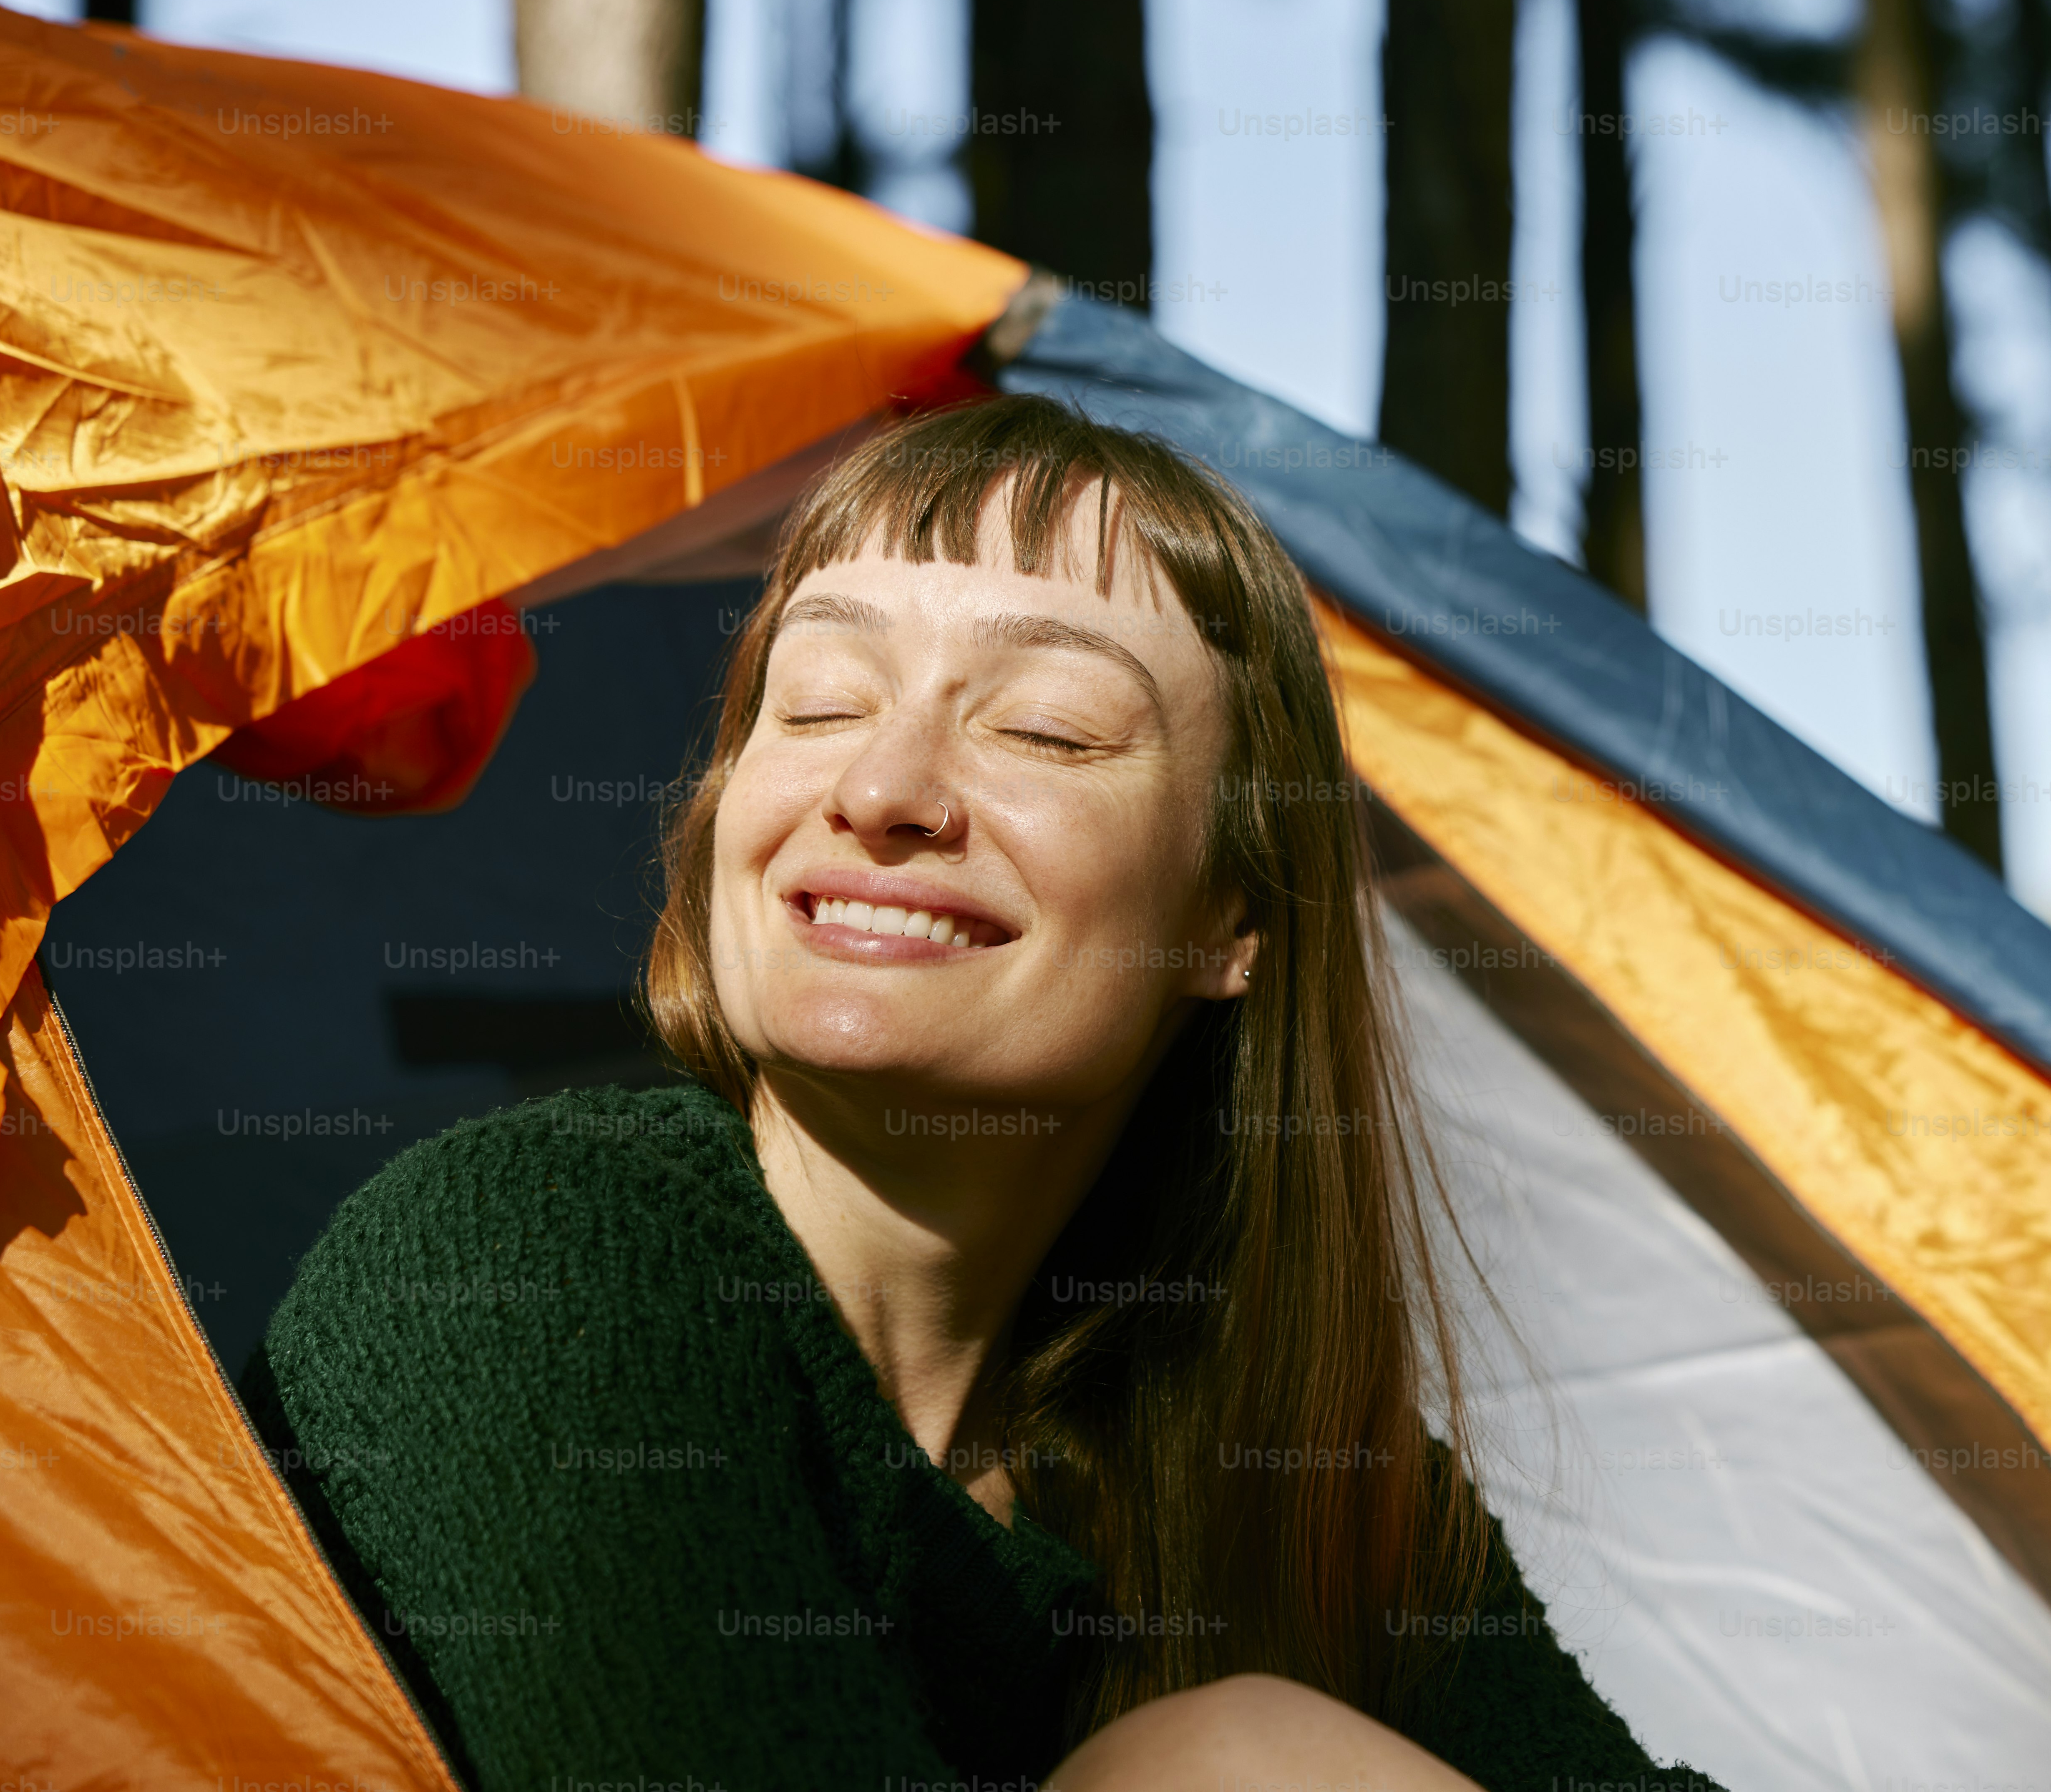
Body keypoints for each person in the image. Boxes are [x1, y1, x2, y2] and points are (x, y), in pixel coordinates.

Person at [244, 394, 1730, 1792]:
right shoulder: (530, 1257)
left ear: (1230, 920)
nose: (883, 788)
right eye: (818, 701)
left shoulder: (1278, 1456)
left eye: (1046, 730)